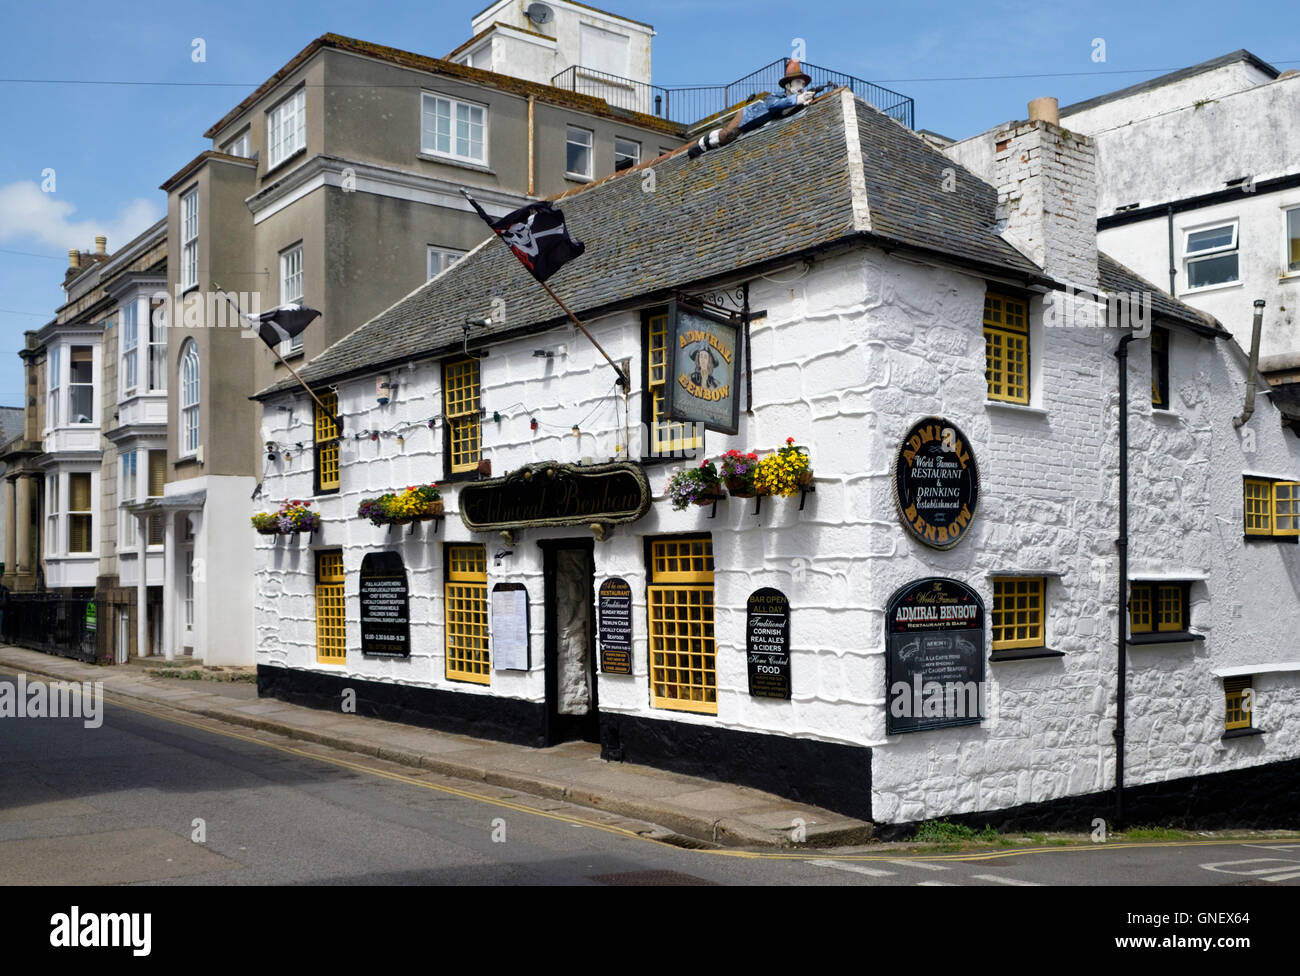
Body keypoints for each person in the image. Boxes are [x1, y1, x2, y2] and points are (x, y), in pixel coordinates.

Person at [688, 58, 818, 159]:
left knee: (731, 137)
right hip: (747, 116)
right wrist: (797, 99)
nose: (801, 86)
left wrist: (804, 101)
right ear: (788, 85)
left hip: (756, 124)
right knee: (727, 134)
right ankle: (700, 145)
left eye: (802, 83)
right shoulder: (776, 97)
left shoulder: (794, 101)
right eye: (797, 82)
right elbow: (775, 106)